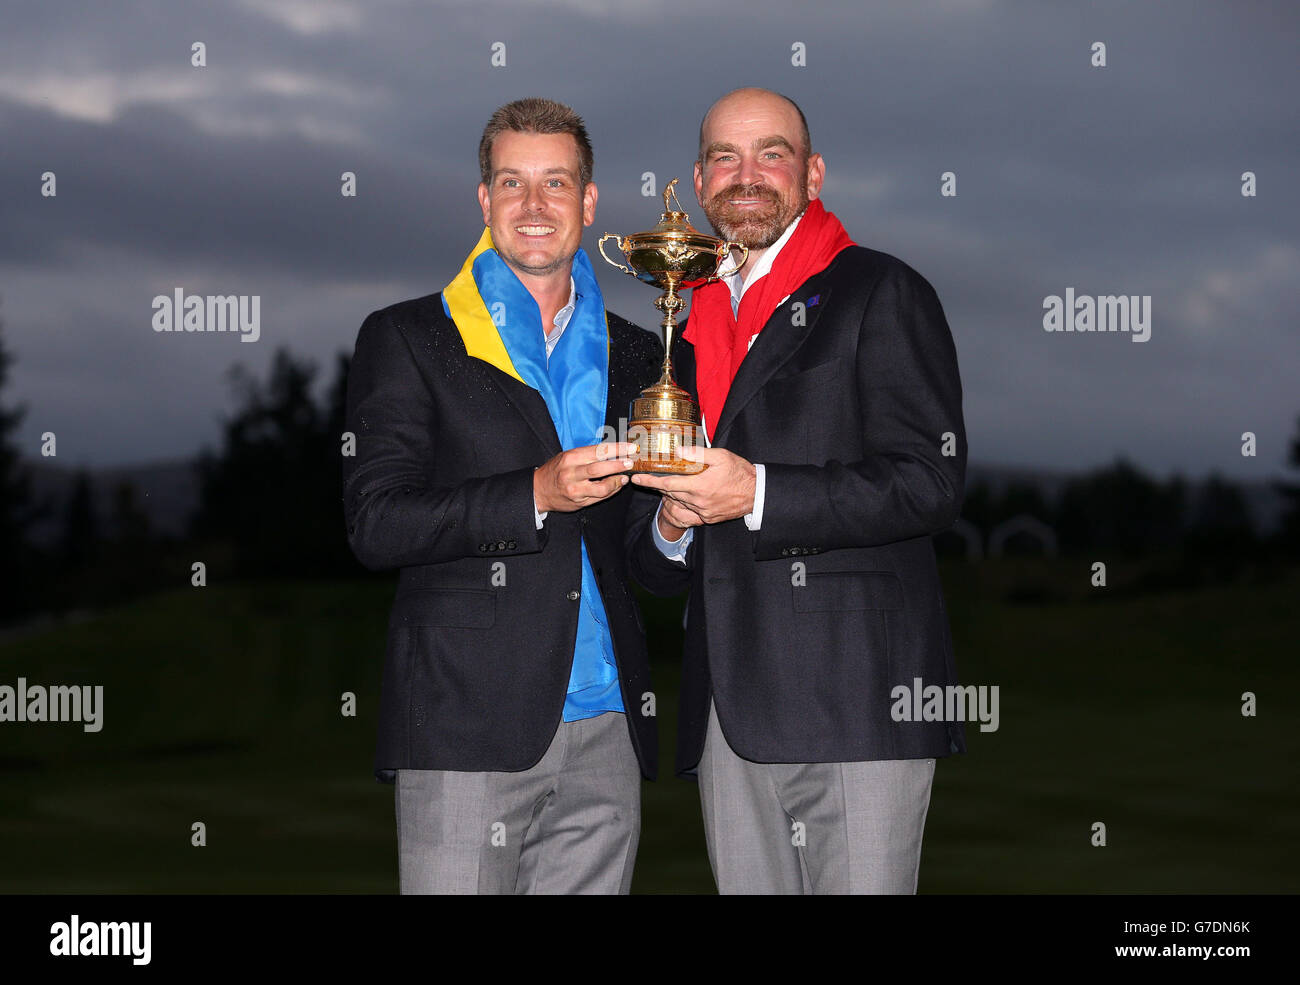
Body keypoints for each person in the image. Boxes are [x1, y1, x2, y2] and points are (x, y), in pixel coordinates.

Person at [629, 87, 967, 894]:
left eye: (771, 153)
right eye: (725, 158)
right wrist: (672, 523)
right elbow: (654, 561)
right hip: (725, 714)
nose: (747, 175)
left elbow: (930, 479)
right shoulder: (682, 318)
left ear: (812, 173)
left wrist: (756, 491)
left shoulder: (881, 292)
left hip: (856, 701)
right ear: (699, 183)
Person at [343, 97, 663, 894]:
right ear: (483, 200)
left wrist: (677, 528)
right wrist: (534, 492)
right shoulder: (410, 337)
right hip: (464, 726)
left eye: (556, 182)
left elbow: (640, 562)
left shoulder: (640, 353)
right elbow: (376, 524)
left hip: (609, 728)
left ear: (589, 203)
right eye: (511, 182)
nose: (533, 204)